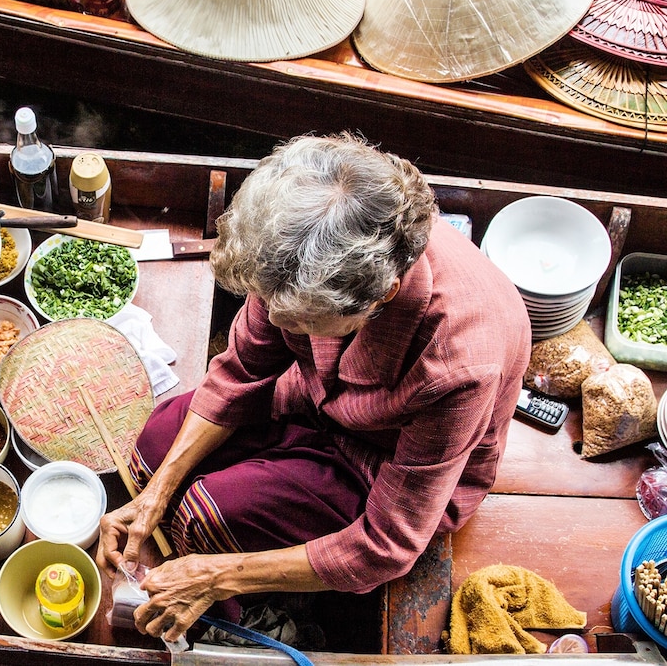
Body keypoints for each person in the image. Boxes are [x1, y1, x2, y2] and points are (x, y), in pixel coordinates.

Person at [96, 133, 532, 644]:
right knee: (152, 449)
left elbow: (389, 542)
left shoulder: (456, 367)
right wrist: (154, 494)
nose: (276, 321)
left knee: (208, 515)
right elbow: (242, 373)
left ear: (380, 299)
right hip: (315, 397)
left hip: (383, 465)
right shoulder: (294, 247)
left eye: (303, 321)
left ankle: (255, 605)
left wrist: (218, 577)